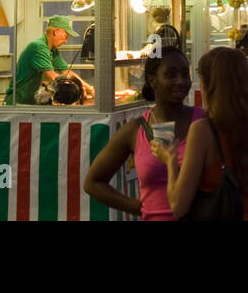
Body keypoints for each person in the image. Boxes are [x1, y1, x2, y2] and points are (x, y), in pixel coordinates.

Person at [152, 47, 248, 220]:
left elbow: (177, 206)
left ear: (207, 85)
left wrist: (170, 161)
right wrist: (245, 190)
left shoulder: (202, 131)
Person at [85, 49, 204, 220]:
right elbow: (93, 183)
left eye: (185, 74)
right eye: (171, 75)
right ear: (152, 80)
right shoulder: (135, 130)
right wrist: (138, 207)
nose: (181, 81)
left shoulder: (204, 122)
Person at [8, 15, 92, 105]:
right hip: (18, 102)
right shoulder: (38, 47)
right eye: (66, 36)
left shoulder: (52, 50)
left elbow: (66, 72)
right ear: (56, 31)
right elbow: (52, 77)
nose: (66, 41)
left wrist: (88, 87)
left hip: (31, 101)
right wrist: (73, 91)